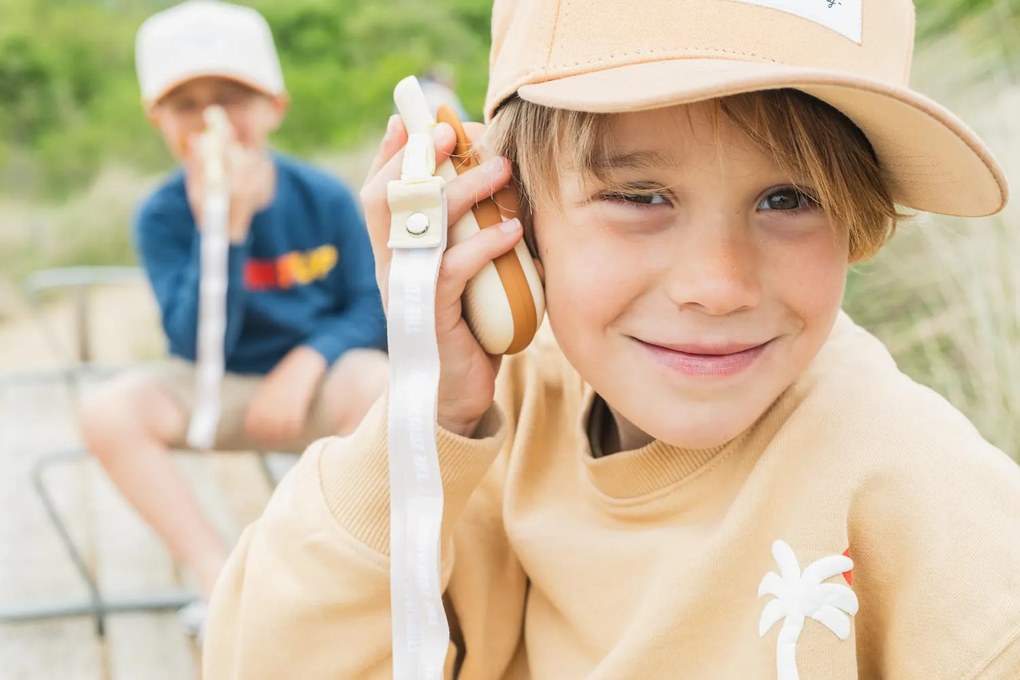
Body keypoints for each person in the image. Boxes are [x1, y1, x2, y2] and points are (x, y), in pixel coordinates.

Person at [204, 0, 1020, 677]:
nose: (719, 285)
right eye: (640, 195)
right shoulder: (498, 424)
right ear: (502, 211)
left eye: (787, 200)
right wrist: (428, 416)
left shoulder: (930, 506)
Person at [76, 0, 387, 630]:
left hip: (315, 387)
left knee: (377, 381)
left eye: (231, 97)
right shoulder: (162, 214)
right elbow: (188, 339)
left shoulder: (322, 197)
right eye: (187, 104)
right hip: (216, 383)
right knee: (106, 410)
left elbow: (370, 305)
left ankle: (322, 565)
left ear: (274, 105)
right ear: (158, 119)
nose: (212, 118)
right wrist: (228, 227)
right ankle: (216, 578)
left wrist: (308, 360)